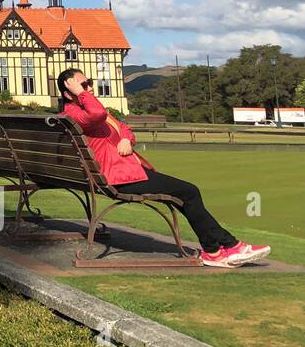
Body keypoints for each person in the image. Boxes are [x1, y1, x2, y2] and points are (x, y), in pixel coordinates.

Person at [57, 69, 270, 268]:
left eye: (89, 83)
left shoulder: (82, 111)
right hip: (117, 177)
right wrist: (82, 95)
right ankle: (226, 247)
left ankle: (217, 250)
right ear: (69, 94)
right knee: (189, 191)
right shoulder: (76, 114)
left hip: (121, 171)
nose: (90, 88)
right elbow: (98, 115)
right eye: (84, 85)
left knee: (184, 195)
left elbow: (123, 127)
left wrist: (126, 139)